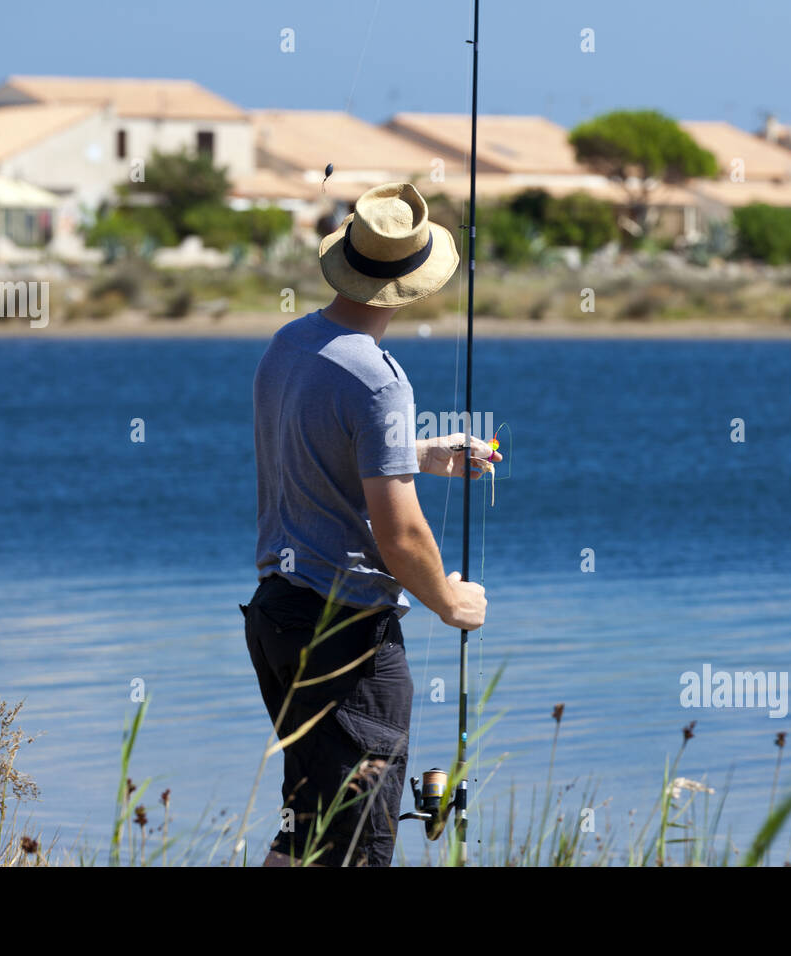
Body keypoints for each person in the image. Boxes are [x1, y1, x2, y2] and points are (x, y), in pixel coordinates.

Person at [242, 182, 499, 867]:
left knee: (308, 831)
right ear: (412, 285)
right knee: (356, 847)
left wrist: (425, 455)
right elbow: (402, 536)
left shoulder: (289, 344)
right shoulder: (381, 379)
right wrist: (450, 602)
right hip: (345, 639)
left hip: (276, 619)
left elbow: (317, 448)